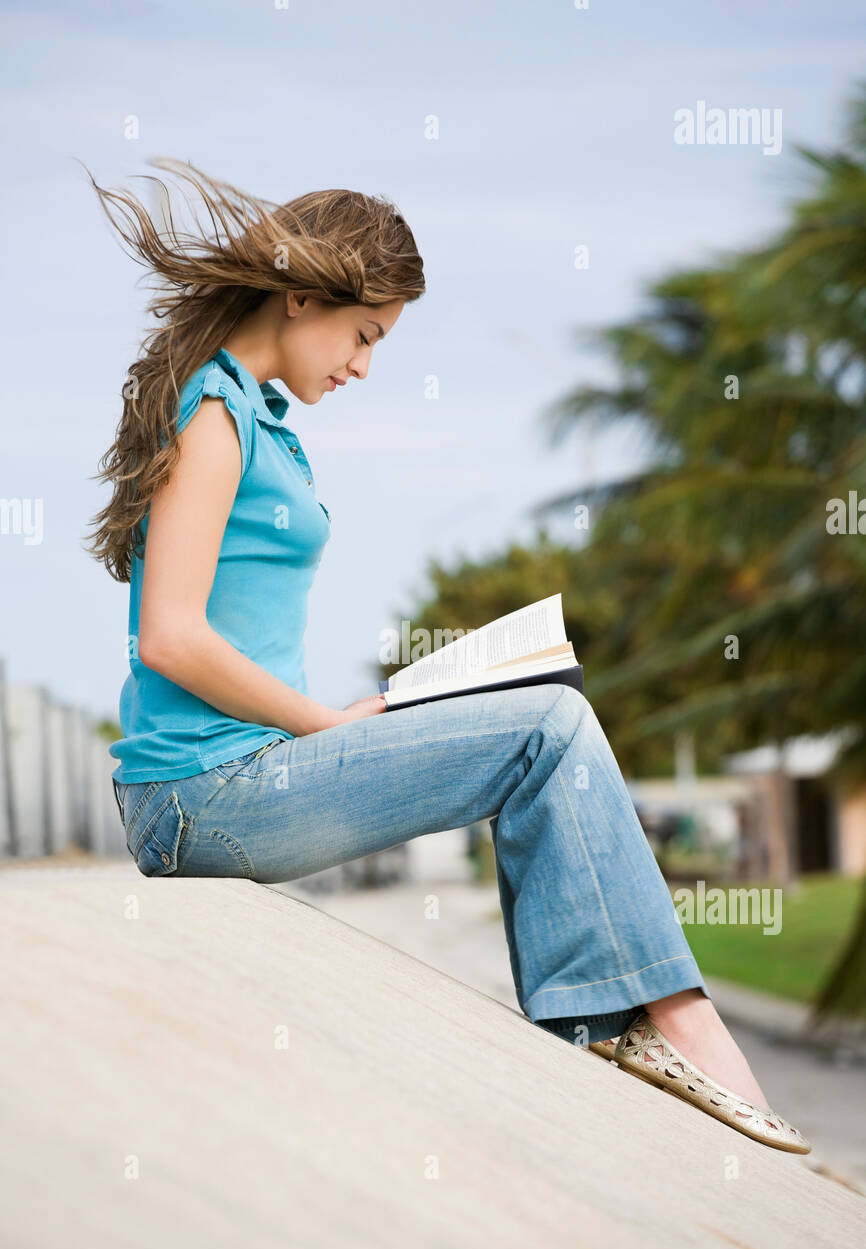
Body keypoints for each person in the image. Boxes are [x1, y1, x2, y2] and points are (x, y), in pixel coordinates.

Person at [84, 158, 810, 1156]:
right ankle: (651, 1021)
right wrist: (325, 723)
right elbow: (170, 634)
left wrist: (341, 715)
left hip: (242, 773)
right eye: (364, 335)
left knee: (539, 701)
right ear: (302, 297)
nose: (362, 366)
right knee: (547, 729)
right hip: (201, 800)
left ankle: (619, 1016)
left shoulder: (265, 425)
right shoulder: (212, 415)